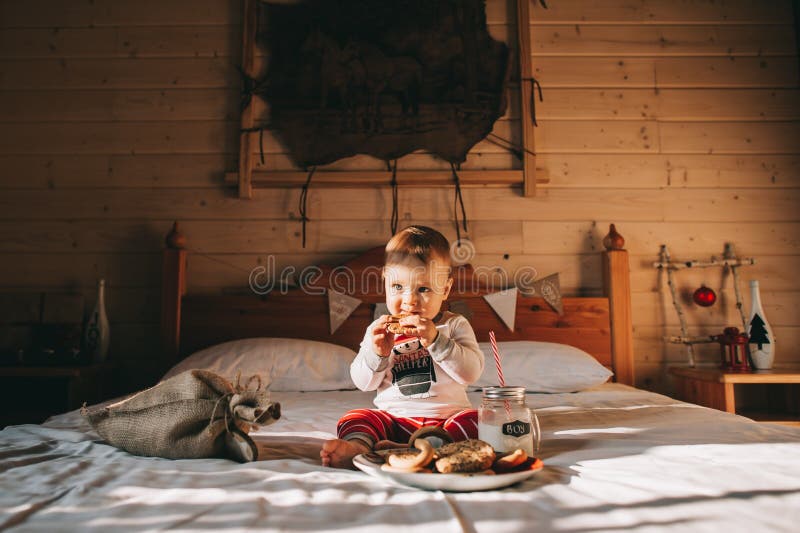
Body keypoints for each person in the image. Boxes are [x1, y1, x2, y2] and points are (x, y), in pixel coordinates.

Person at [320, 225, 484, 469]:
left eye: (424, 289)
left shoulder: (453, 325)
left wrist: (436, 341)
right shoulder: (380, 329)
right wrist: (377, 353)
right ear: (385, 280)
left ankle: (432, 446)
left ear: (445, 289)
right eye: (398, 287)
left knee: (479, 420)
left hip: (445, 422)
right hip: (393, 422)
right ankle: (360, 447)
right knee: (356, 417)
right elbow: (363, 383)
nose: (410, 301)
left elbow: (471, 373)